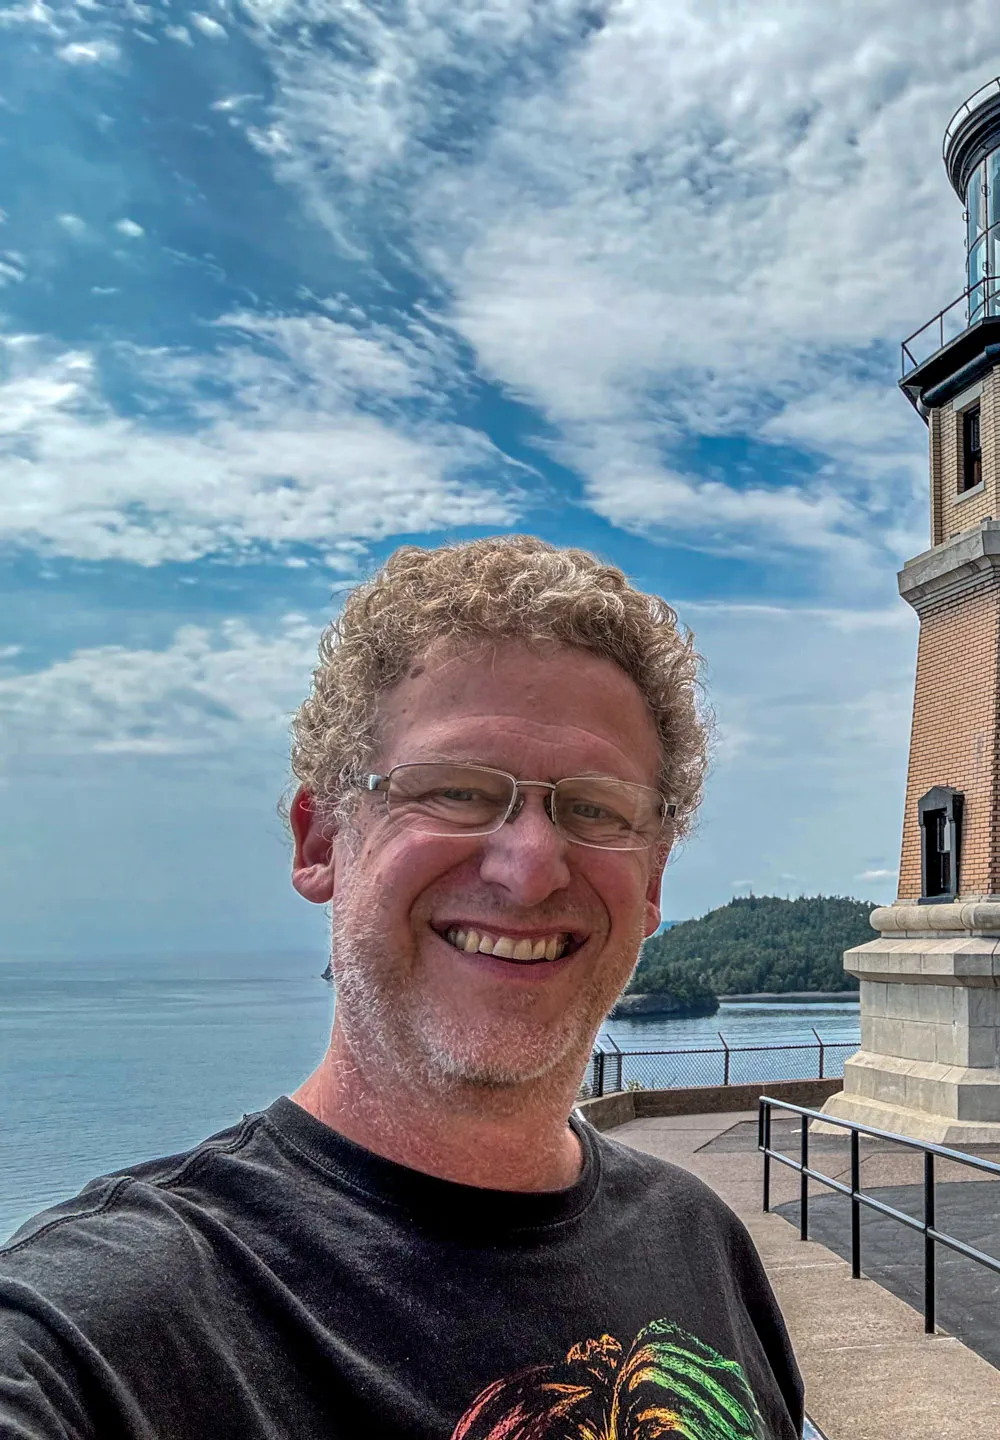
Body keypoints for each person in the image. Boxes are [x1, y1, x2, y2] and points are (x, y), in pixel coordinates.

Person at [0, 537, 805, 1439]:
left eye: (595, 809)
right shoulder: (100, 1337)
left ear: (652, 881)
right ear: (319, 842)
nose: (533, 866)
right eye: (455, 790)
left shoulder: (698, 1242)